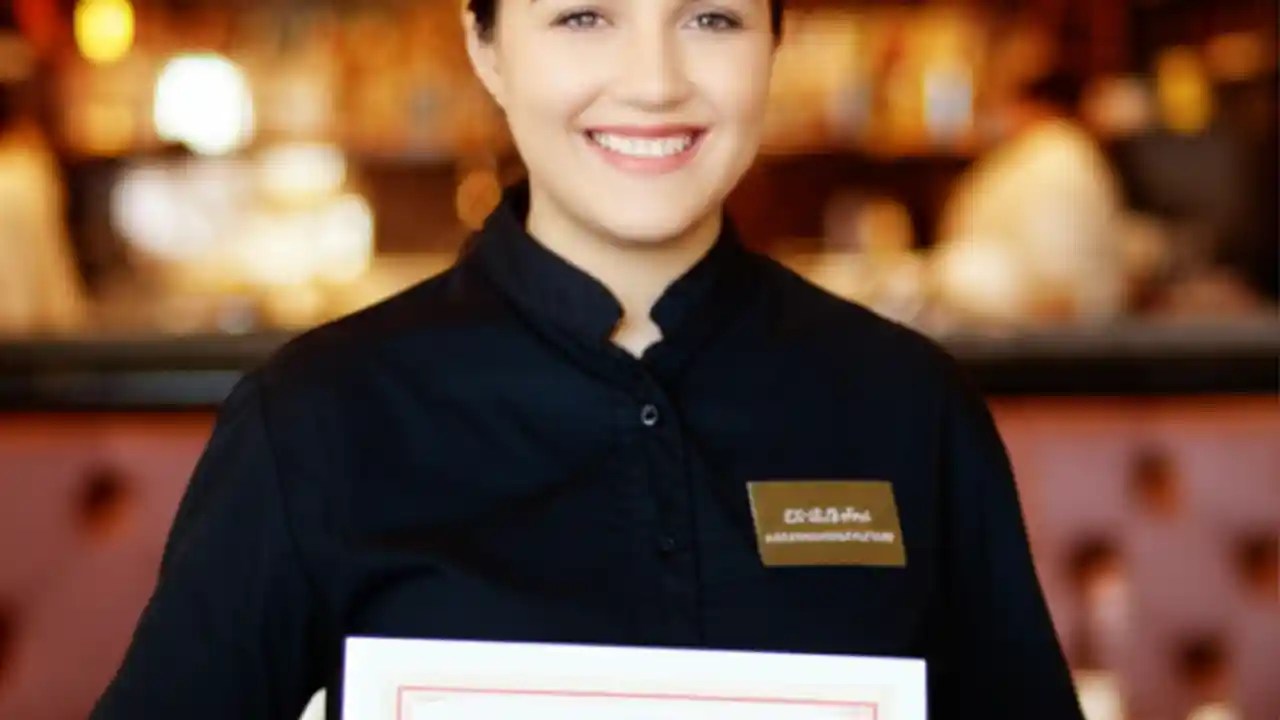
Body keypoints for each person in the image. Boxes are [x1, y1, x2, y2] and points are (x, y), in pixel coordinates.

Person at [92, 1, 1083, 718]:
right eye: (581, 17)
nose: (653, 81)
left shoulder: (907, 405)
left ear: (775, 41)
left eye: (711, 20)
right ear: (483, 46)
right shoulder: (316, 415)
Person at [934, 67, 1127, 327]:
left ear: (1034, 105)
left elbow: (1061, 279)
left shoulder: (1058, 155)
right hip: (1022, 332)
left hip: (1039, 339)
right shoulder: (1045, 153)